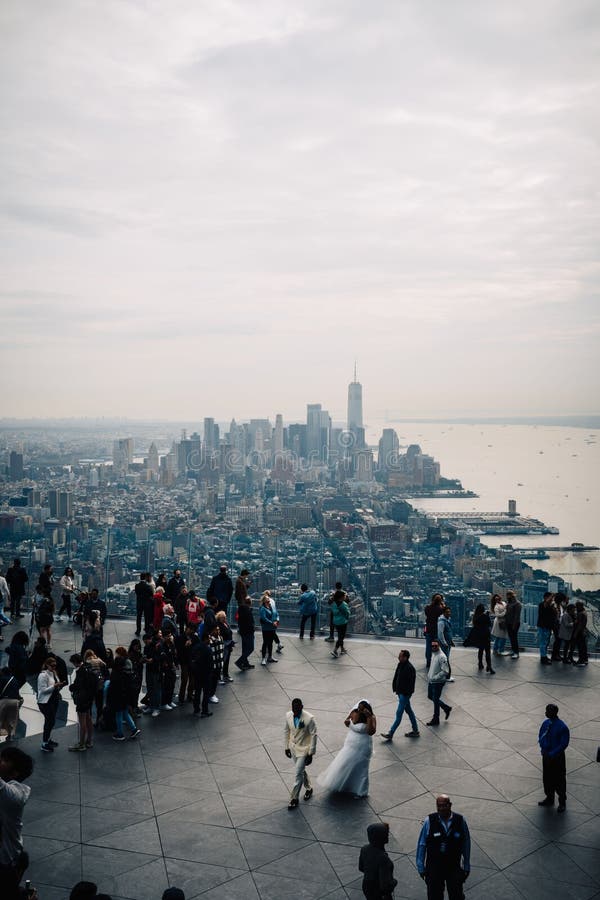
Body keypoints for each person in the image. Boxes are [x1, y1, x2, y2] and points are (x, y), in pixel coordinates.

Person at [318, 700, 376, 798]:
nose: (359, 709)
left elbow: (371, 732)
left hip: (363, 746)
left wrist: (369, 717)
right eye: (359, 707)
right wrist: (347, 723)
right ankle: (346, 785)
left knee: (361, 769)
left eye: (361, 708)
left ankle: (361, 791)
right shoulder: (354, 712)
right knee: (345, 764)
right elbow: (347, 722)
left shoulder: (371, 717)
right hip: (350, 744)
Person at [416, 795, 470, 899]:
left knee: (456, 895)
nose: (441, 809)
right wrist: (420, 866)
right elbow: (422, 844)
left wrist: (466, 865)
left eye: (444, 806)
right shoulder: (429, 820)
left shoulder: (460, 820)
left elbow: (466, 843)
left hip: (453, 866)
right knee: (434, 896)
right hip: (434, 867)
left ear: (450, 805)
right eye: (438, 806)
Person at [0, 746, 34, 898]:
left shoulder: (16, 795)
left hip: (4, 862)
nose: (0, 762)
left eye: (5, 761)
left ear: (15, 773)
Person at [284, 697, 318, 810]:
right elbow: (286, 731)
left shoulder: (309, 718)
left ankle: (294, 798)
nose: (295, 711)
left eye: (297, 709)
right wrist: (286, 747)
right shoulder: (288, 715)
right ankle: (309, 788)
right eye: (293, 708)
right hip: (293, 748)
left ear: (302, 707)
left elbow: (314, 735)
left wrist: (311, 753)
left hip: (304, 750)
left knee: (298, 773)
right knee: (301, 771)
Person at [381, 649, 419, 740]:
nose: (398, 657)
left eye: (400, 656)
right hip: (401, 693)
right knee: (409, 711)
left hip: (404, 694)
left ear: (405, 657)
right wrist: (395, 688)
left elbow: (411, 684)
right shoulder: (400, 664)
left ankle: (391, 732)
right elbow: (396, 677)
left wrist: (405, 694)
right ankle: (415, 731)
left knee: (399, 713)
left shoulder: (410, 668)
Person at [538, 703, 569, 812]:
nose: (545, 713)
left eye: (547, 711)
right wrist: (543, 749)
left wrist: (552, 753)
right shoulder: (546, 723)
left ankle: (562, 802)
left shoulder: (562, 727)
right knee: (547, 777)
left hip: (557, 758)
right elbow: (541, 736)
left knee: (559, 779)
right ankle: (549, 797)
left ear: (554, 712)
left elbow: (563, 744)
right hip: (546, 756)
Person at [358, 822, 398, 900]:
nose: (388, 835)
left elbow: (361, 868)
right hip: (379, 894)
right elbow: (385, 886)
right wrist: (394, 882)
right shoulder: (383, 858)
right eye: (386, 833)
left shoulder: (364, 849)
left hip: (367, 887)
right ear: (380, 837)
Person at [109, 647, 141, 741]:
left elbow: (113, 685)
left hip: (118, 695)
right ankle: (134, 729)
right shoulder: (126, 670)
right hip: (126, 694)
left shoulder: (116, 673)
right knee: (125, 712)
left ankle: (120, 733)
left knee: (118, 714)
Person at [68, 654, 97, 751]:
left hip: (82, 700)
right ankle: (89, 741)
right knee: (88, 719)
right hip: (89, 698)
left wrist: (71, 687)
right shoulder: (88, 667)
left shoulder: (81, 672)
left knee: (82, 721)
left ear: (75, 662)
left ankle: (81, 744)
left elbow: (78, 685)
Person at [37, 657, 66, 751]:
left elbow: (55, 686)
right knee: (49, 722)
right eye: (52, 665)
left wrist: (59, 685)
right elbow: (42, 691)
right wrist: (54, 686)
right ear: (47, 665)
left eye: (55, 665)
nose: (54, 667)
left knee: (51, 721)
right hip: (45, 702)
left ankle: (47, 740)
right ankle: (44, 743)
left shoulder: (53, 673)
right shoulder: (43, 675)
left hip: (53, 701)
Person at [426, 641, 451, 726]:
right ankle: (446, 708)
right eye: (432, 646)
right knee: (430, 696)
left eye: (435, 646)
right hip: (432, 680)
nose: (433, 647)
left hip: (438, 682)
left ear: (439, 646)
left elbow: (445, 671)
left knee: (435, 699)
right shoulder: (434, 654)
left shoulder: (442, 657)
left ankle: (436, 719)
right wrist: (430, 676)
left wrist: (434, 677)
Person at [191, 631, 214, 718]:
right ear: (205, 639)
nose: (210, 639)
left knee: (197, 692)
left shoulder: (196, 647)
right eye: (209, 638)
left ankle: (196, 708)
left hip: (197, 674)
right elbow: (210, 663)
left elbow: (192, 660)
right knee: (206, 693)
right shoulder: (208, 649)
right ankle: (205, 710)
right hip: (206, 674)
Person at [469, 604, 495, 675]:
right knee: (487, 652)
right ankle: (489, 666)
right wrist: (487, 615)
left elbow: (475, 626)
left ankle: (480, 664)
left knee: (480, 650)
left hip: (479, 636)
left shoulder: (475, 617)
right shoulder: (485, 616)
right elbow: (489, 624)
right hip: (486, 636)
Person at [424, 593, 444, 668]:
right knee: (437, 647)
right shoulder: (440, 609)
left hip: (428, 629)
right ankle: (436, 662)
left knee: (428, 647)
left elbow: (427, 614)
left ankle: (428, 661)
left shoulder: (427, 608)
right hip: (436, 630)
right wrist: (442, 605)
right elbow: (443, 615)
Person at [235, 596, 255, 670]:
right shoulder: (247, 610)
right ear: (250, 603)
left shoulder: (241, 609)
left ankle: (245, 663)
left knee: (245, 648)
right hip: (249, 632)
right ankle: (239, 662)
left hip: (243, 631)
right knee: (250, 648)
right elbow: (250, 622)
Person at [537, 592, 557, 665]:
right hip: (543, 626)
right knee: (543, 643)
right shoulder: (542, 604)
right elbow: (547, 603)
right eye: (550, 598)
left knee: (545, 643)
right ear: (545, 598)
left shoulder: (550, 606)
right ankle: (543, 658)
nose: (552, 599)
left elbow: (555, 613)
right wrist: (552, 596)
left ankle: (544, 656)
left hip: (547, 627)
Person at [259, 592, 278, 666]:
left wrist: (276, 620)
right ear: (264, 601)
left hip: (272, 628)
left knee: (270, 643)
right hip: (266, 628)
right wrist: (272, 623)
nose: (269, 600)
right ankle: (263, 658)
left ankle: (270, 657)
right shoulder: (262, 608)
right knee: (265, 642)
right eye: (267, 599)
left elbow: (276, 613)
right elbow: (264, 618)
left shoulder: (271, 606)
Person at [331, 591, 351, 658]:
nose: (345, 596)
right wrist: (347, 618)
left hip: (336, 622)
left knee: (340, 635)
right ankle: (335, 650)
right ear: (341, 597)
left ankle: (342, 649)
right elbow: (347, 613)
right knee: (341, 637)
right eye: (344, 595)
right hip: (342, 622)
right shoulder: (343, 604)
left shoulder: (334, 603)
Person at [437, 607, 455, 681]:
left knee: (444, 659)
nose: (449, 613)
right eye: (447, 612)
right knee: (445, 660)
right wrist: (444, 643)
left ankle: (443, 675)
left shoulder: (447, 620)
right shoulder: (441, 622)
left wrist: (451, 641)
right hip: (444, 644)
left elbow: (448, 632)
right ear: (443, 613)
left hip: (447, 643)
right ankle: (447, 676)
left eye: (449, 612)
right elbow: (440, 634)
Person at [504, 590, 522, 659]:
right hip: (509, 623)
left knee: (514, 638)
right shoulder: (509, 603)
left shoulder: (517, 604)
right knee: (511, 638)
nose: (507, 597)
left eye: (508, 595)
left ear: (511, 596)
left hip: (514, 624)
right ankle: (513, 651)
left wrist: (514, 625)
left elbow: (517, 616)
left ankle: (516, 653)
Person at [572, 601, 589, 666]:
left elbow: (579, 625)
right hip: (583, 632)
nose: (576, 608)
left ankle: (581, 660)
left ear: (580, 606)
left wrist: (575, 633)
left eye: (577, 606)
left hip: (580, 632)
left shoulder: (580, 614)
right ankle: (585, 659)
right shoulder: (584, 612)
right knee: (583, 647)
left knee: (580, 647)